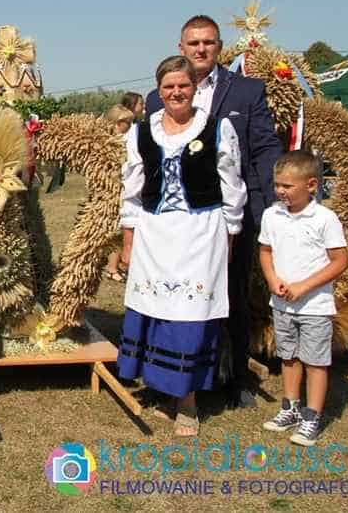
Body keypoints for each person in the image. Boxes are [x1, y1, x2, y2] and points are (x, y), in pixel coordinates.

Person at [144, 15, 282, 409]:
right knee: (174, 299)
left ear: (220, 47)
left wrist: (275, 206)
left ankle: (236, 379)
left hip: (232, 213)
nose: (201, 49)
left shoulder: (247, 91)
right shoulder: (158, 97)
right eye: (193, 43)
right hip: (177, 222)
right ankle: (173, 378)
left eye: (208, 42)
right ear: (181, 47)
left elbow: (265, 149)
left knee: (232, 295)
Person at [120, 56, 247, 436]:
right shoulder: (141, 133)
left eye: (183, 85)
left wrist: (229, 235)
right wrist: (128, 241)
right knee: (157, 312)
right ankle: (165, 390)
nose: (176, 92)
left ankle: (187, 402)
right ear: (159, 91)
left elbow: (232, 188)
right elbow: (132, 192)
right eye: (169, 86)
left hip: (200, 233)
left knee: (191, 316)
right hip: (154, 232)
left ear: (194, 88)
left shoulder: (217, 128)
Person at [260, 151, 348, 446]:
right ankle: (290, 407)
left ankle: (312, 417)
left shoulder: (325, 219)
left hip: (315, 307)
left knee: (315, 362)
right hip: (282, 304)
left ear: (311, 185)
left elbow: (339, 261)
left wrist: (304, 287)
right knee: (288, 356)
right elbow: (266, 251)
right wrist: (272, 279)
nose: (280, 191)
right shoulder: (271, 215)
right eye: (277, 185)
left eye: (287, 186)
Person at [104, 105, 135, 283]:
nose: (131, 126)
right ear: (117, 122)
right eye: (127, 123)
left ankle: (119, 265)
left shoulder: (127, 138)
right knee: (116, 231)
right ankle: (112, 267)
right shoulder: (111, 142)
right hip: (115, 192)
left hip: (125, 190)